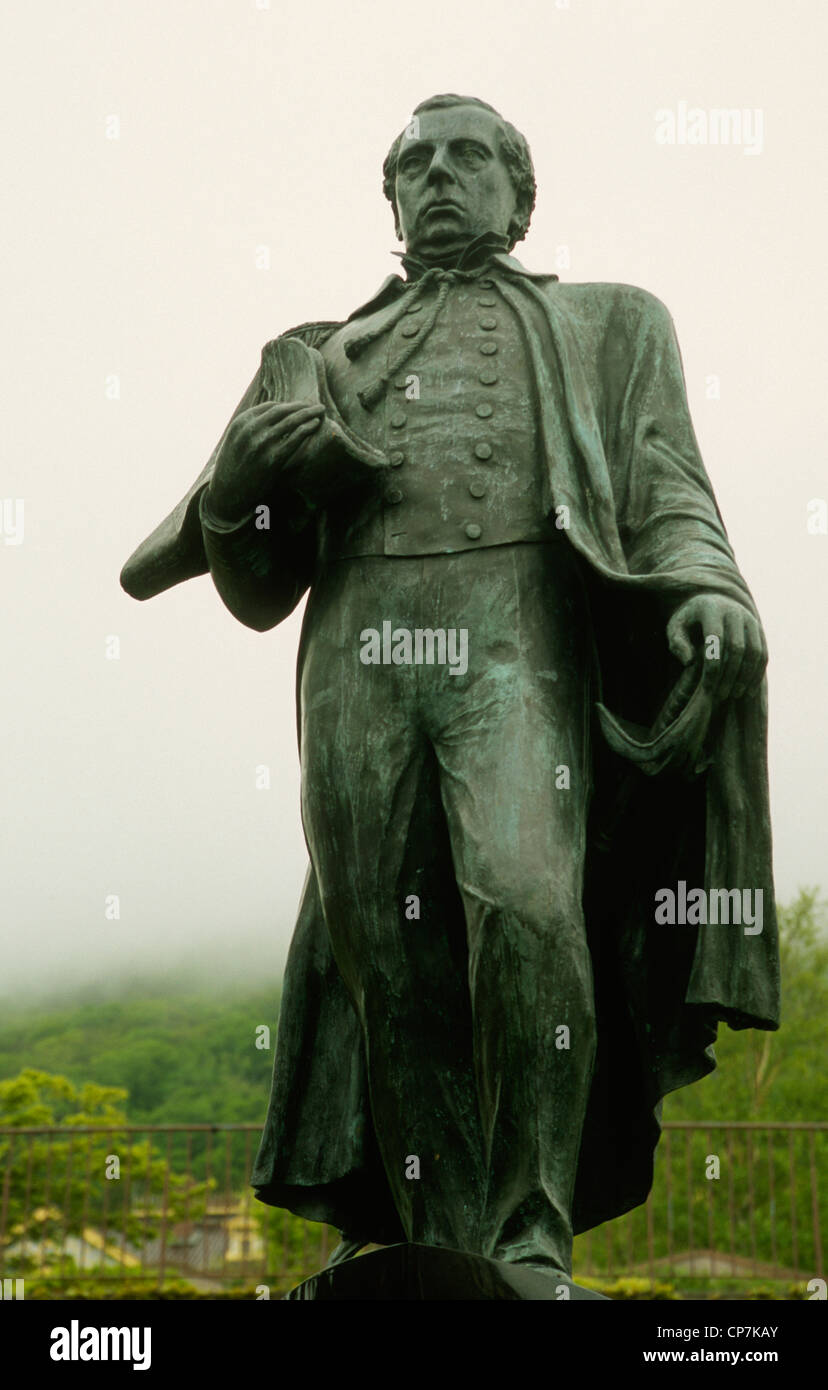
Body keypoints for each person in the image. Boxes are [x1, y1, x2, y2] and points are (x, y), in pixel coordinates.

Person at [121, 94, 780, 1282]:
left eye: (468, 157)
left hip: (517, 636)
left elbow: (665, 477)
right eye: (415, 163)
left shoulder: (613, 323)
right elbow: (248, 579)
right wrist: (241, 485)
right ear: (390, 198)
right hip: (355, 654)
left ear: (520, 194)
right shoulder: (319, 351)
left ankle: (531, 1234)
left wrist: (706, 583)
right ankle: (437, 1247)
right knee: (389, 952)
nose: (439, 176)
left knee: (528, 905)